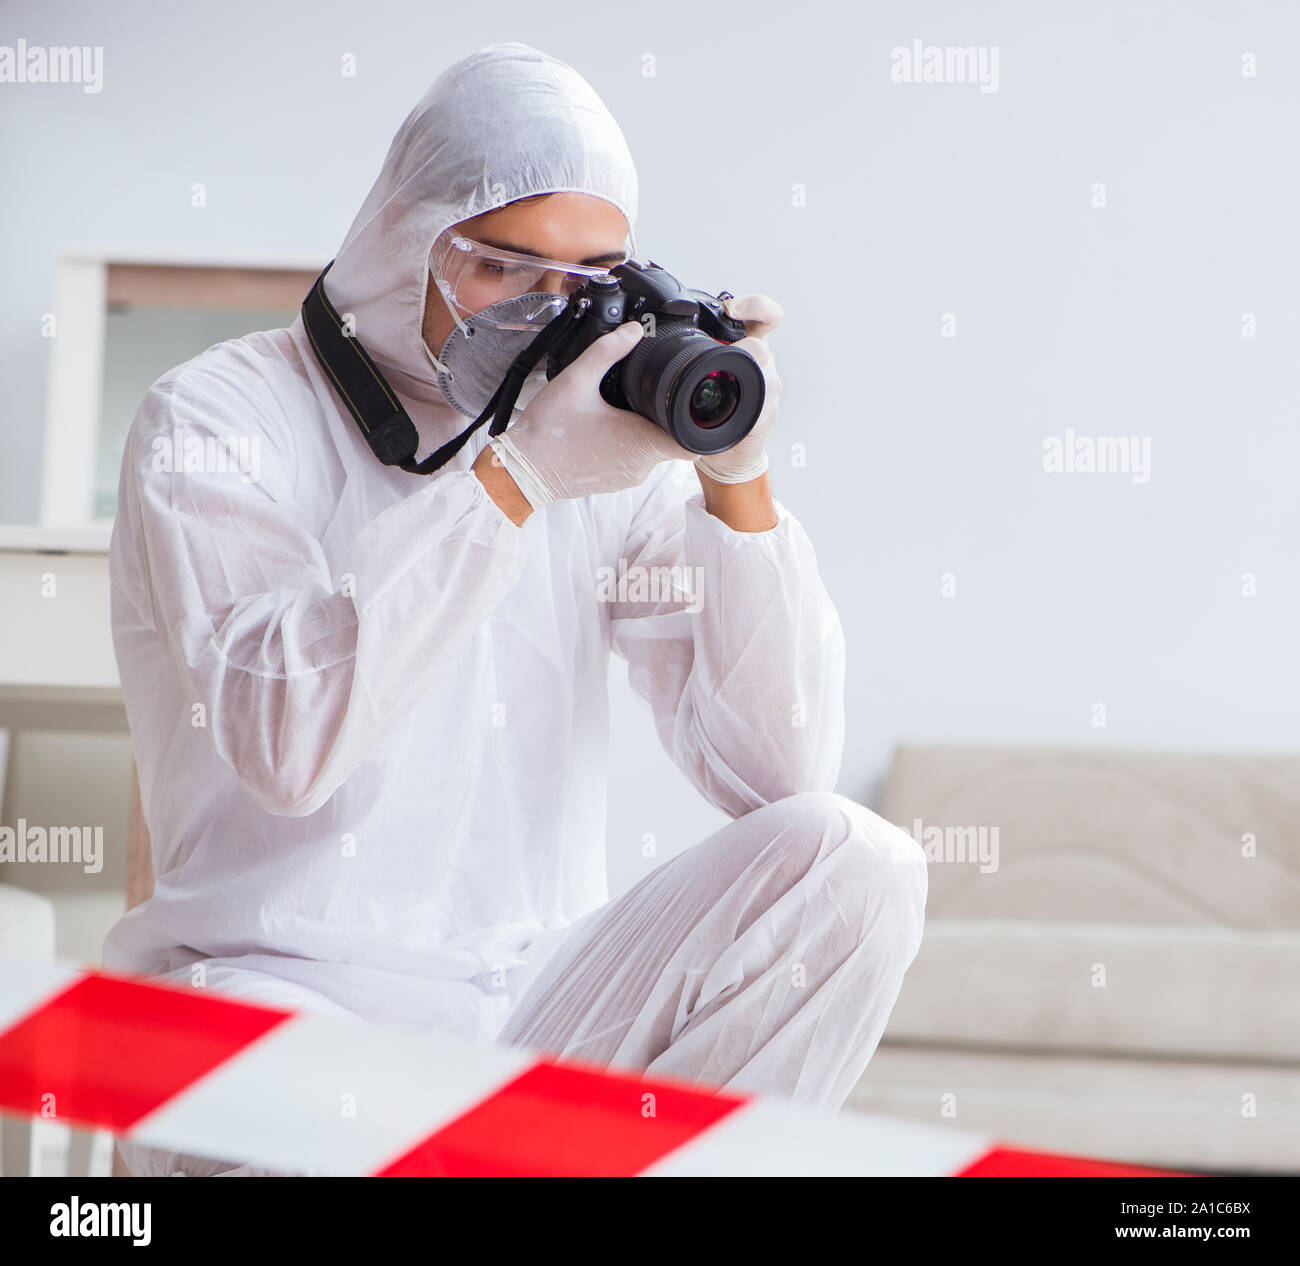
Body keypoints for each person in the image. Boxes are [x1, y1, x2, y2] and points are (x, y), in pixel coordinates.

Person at [106, 42, 927, 1177]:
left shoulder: (589, 444)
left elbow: (773, 776)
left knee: (855, 864)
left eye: (587, 282)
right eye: (506, 270)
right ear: (408, 238)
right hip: (272, 996)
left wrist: (733, 481)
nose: (551, 314)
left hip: (528, 1009)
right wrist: (517, 480)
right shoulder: (216, 418)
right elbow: (286, 743)